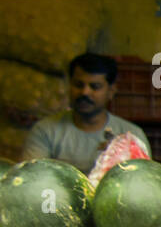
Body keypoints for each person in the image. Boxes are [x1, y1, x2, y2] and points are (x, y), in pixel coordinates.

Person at [21, 53, 151, 174]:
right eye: (78, 85)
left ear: (111, 91)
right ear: (69, 86)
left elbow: (140, 183)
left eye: (95, 86)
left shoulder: (131, 136)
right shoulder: (45, 131)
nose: (85, 92)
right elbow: (33, 179)